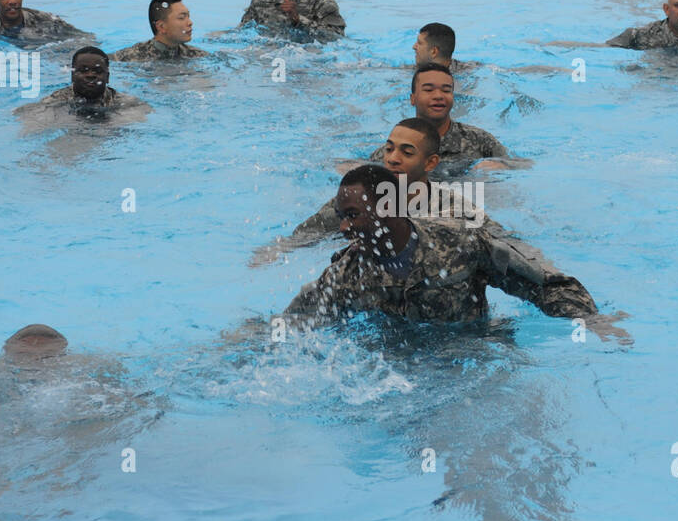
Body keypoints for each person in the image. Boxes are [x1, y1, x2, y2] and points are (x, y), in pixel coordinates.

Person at [280, 165, 631, 343]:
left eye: (353, 216)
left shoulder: (462, 242)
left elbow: (544, 284)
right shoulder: (347, 273)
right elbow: (299, 319)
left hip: (472, 353)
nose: (343, 229)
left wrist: (590, 320)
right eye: (341, 218)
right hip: (400, 371)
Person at [251, 118, 502, 265]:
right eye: (389, 149)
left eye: (406, 152)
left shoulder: (454, 209)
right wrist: (270, 254)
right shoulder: (355, 203)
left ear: (431, 163)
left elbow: (503, 245)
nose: (393, 159)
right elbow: (301, 238)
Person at [369, 63, 511, 171]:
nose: (438, 96)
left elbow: (521, 164)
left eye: (446, 90)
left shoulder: (479, 140)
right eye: (429, 90)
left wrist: (500, 165)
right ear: (413, 99)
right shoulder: (393, 151)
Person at [13, 46, 150, 118]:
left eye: (97, 71)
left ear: (107, 77)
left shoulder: (124, 102)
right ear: (72, 75)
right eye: (83, 70)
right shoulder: (56, 101)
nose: (90, 75)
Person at [110, 0, 210, 61]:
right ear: (161, 27)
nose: (190, 23)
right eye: (182, 17)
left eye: (188, 16)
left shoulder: (196, 55)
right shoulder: (130, 57)